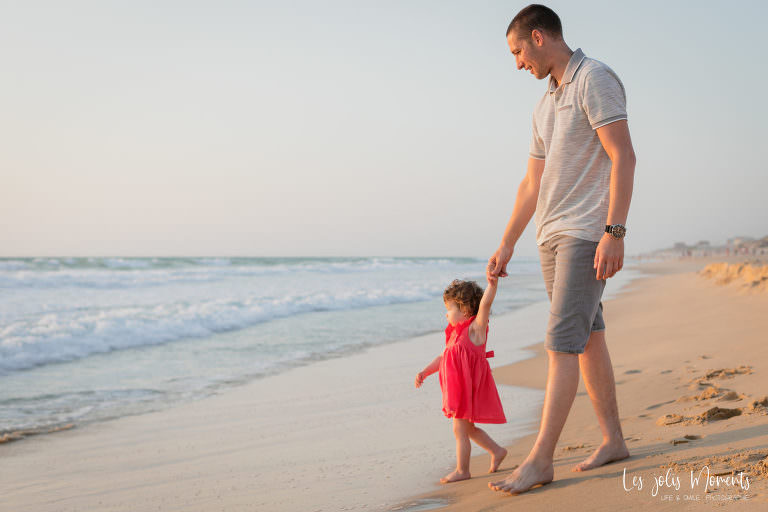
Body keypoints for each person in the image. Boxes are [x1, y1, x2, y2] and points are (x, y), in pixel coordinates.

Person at [487, 4, 636, 495]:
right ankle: (613, 439)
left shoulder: (595, 78)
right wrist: (507, 242)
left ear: (538, 37)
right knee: (588, 337)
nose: (516, 64)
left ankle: (540, 460)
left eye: (517, 52)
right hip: (550, 237)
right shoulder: (544, 102)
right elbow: (532, 182)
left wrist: (614, 231)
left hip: (584, 232)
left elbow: (623, 155)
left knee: (560, 345)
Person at [415, 277, 508, 484]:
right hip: (456, 388)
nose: (446, 313)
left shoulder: (475, 330)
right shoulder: (453, 335)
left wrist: (492, 285)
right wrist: (424, 372)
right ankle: (497, 450)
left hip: (467, 388)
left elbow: (485, 305)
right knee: (468, 429)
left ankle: (462, 470)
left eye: (449, 308)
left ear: (464, 309)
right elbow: (441, 358)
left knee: (460, 430)